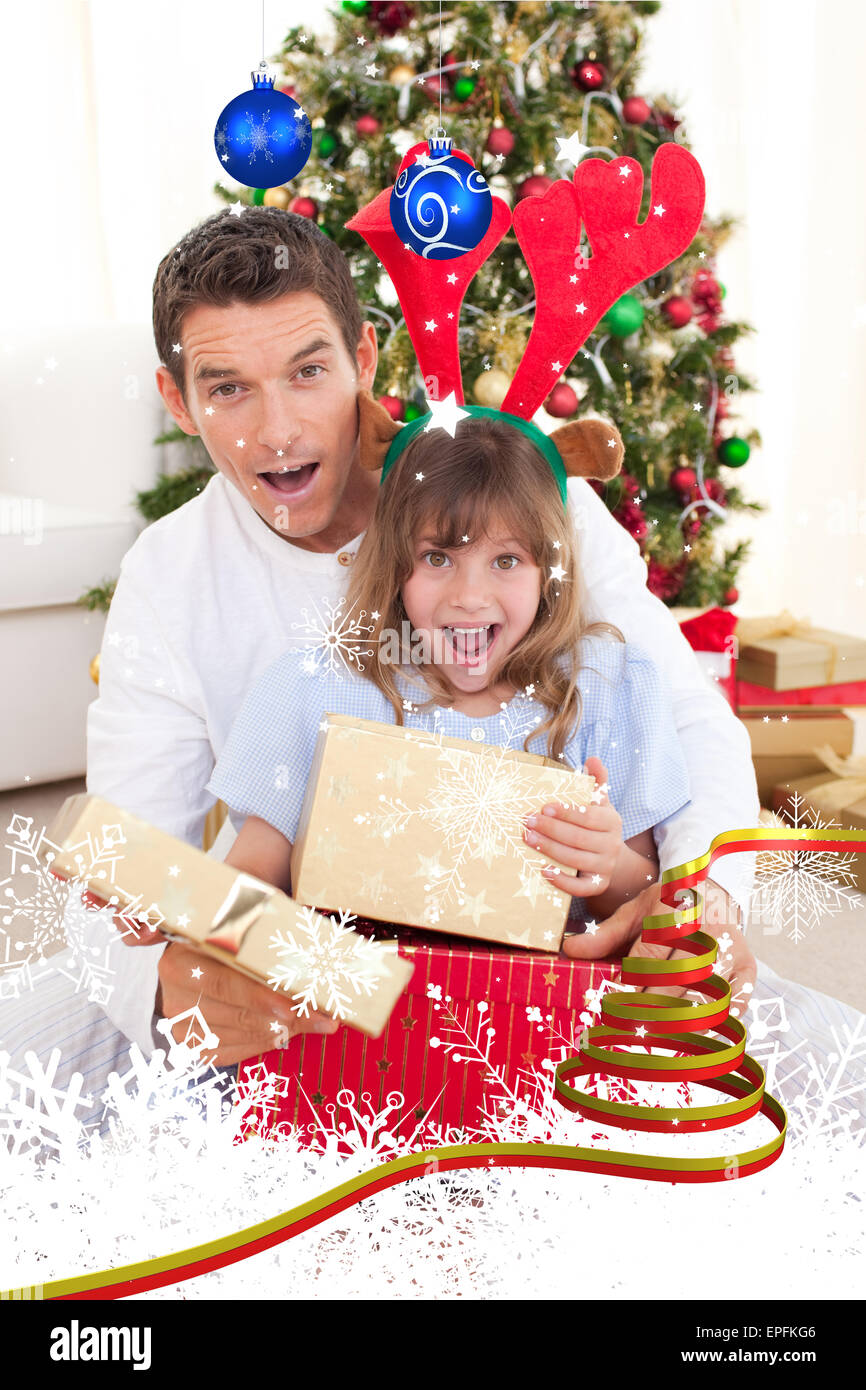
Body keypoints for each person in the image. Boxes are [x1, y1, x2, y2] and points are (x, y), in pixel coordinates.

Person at [0, 207, 760, 1092]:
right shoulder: (173, 580)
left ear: (364, 360)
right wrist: (170, 985)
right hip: (319, 995)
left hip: (555, 977)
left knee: (811, 1081)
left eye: (308, 371)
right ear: (179, 402)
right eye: (228, 388)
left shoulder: (529, 494)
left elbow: (690, 719)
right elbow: (133, 850)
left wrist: (703, 899)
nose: (278, 429)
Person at [206, 404, 693, 1063]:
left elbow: (637, 909)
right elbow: (245, 886)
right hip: (344, 1044)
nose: (469, 596)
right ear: (392, 561)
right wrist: (196, 927)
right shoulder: (317, 686)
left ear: (550, 569)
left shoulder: (602, 688)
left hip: (532, 1042)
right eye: (438, 556)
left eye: (507, 560)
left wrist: (606, 863)